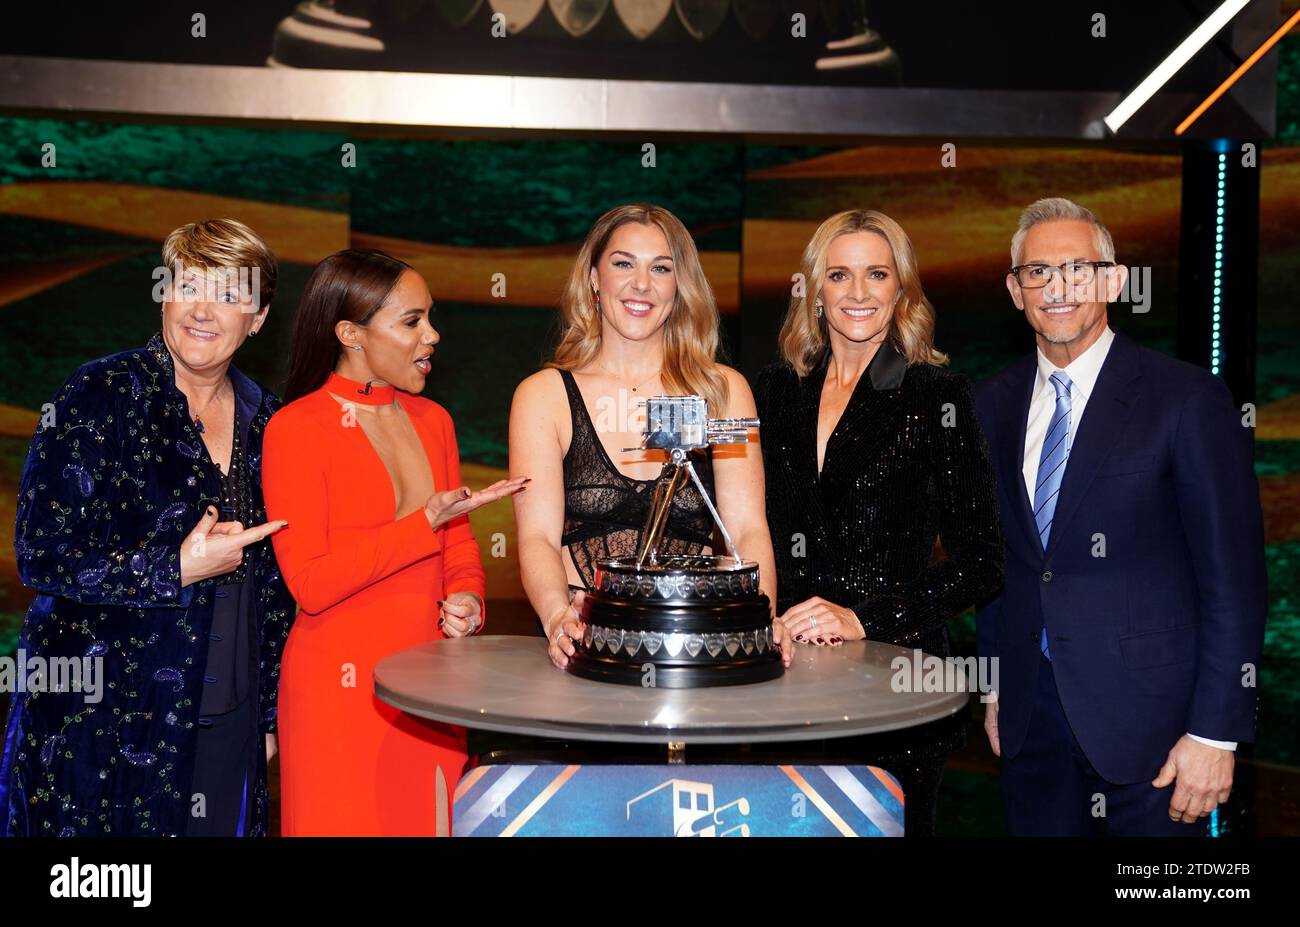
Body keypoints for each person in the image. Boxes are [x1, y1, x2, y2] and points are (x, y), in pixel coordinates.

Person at [975, 197, 1268, 836]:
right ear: (1014, 289)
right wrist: (996, 687)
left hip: (1158, 737)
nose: (1057, 288)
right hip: (1032, 727)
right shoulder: (989, 404)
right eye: (1037, 273)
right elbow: (1003, 565)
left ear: (1114, 281)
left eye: (1078, 269)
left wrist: (1216, 732)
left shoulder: (1187, 399)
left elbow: (1234, 581)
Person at [1, 218, 294, 836]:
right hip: (102, 725)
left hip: (227, 722)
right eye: (190, 286)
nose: (204, 311)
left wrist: (268, 720)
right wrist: (173, 569)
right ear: (164, 291)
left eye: (230, 294)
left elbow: (278, 592)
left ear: (259, 318)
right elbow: (40, 554)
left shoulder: (274, 422)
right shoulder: (98, 394)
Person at [756, 208, 1004, 836]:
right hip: (777, 685)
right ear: (814, 290)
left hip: (896, 688)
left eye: (877, 274)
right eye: (839, 275)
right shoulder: (772, 393)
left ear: (902, 289)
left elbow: (981, 563)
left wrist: (863, 618)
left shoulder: (936, 396)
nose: (858, 293)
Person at [263, 249, 525, 836]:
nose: (432, 335)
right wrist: (421, 524)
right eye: (412, 321)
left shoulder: (436, 421)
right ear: (351, 334)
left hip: (432, 691)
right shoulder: (295, 429)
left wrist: (467, 600)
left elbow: (457, 545)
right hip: (338, 691)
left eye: (429, 317)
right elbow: (311, 584)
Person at [509, 203, 791, 670]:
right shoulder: (543, 396)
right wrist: (557, 614)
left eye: (661, 268)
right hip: (584, 642)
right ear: (594, 278)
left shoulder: (723, 391)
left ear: (679, 286)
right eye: (623, 264)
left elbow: (746, 529)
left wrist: (762, 616)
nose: (641, 285)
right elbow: (536, 536)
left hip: (696, 642)